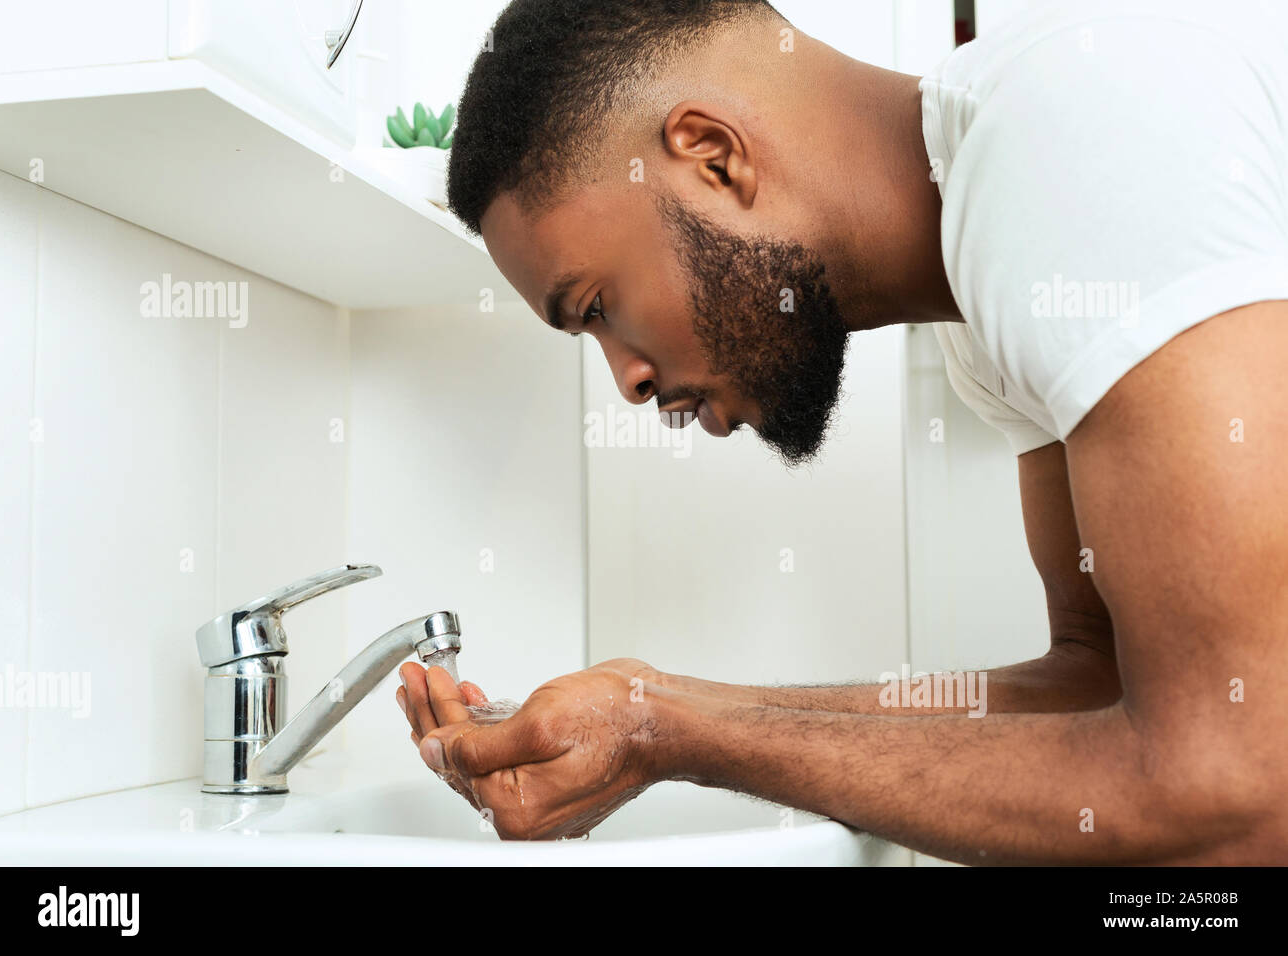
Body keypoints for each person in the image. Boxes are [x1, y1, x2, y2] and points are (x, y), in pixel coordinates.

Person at [397, 0, 1288, 863]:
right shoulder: (982, 288)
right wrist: (655, 712)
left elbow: (1237, 795)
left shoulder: (1066, 135)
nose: (627, 381)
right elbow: (1096, 686)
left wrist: (670, 731)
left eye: (595, 307)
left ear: (711, 156)